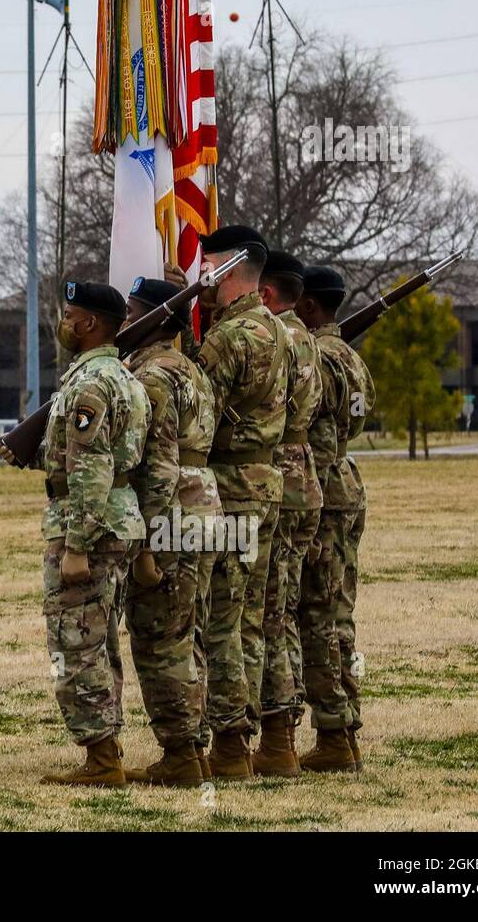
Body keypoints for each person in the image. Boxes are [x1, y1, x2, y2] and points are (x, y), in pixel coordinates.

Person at [37, 280, 150, 788]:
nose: (63, 322)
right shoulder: (126, 379)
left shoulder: (90, 385)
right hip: (118, 519)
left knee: (76, 643)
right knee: (101, 642)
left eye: (68, 314)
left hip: (90, 525)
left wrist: (77, 546)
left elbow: (90, 468)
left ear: (87, 324)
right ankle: (107, 749)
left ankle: (102, 758)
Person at [192, 225, 288, 779]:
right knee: (250, 615)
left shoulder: (229, 338)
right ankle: (246, 738)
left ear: (228, 270)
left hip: (230, 485)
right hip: (267, 480)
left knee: (221, 619)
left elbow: (200, 415)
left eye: (208, 268)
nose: (200, 278)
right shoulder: (277, 330)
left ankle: (229, 745)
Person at [119, 277, 220, 787]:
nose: (123, 321)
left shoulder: (153, 377)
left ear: (156, 318)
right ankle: (193, 748)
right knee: (188, 631)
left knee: (161, 636)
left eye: (132, 311)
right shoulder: (190, 369)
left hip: (172, 518)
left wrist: (147, 543)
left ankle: (181, 752)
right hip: (202, 508)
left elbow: (157, 467)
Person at [296, 264, 375, 772]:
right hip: (345, 481)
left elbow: (301, 417)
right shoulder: (350, 355)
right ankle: (343, 728)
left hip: (321, 489)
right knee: (337, 612)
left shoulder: (319, 357)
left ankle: (333, 733)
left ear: (307, 305)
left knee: (319, 617)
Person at [252, 250, 323, 776]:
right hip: (305, 476)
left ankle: (278, 740)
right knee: (287, 613)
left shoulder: (274, 338)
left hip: (276, 474)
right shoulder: (310, 341)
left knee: (271, 617)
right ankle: (284, 736)